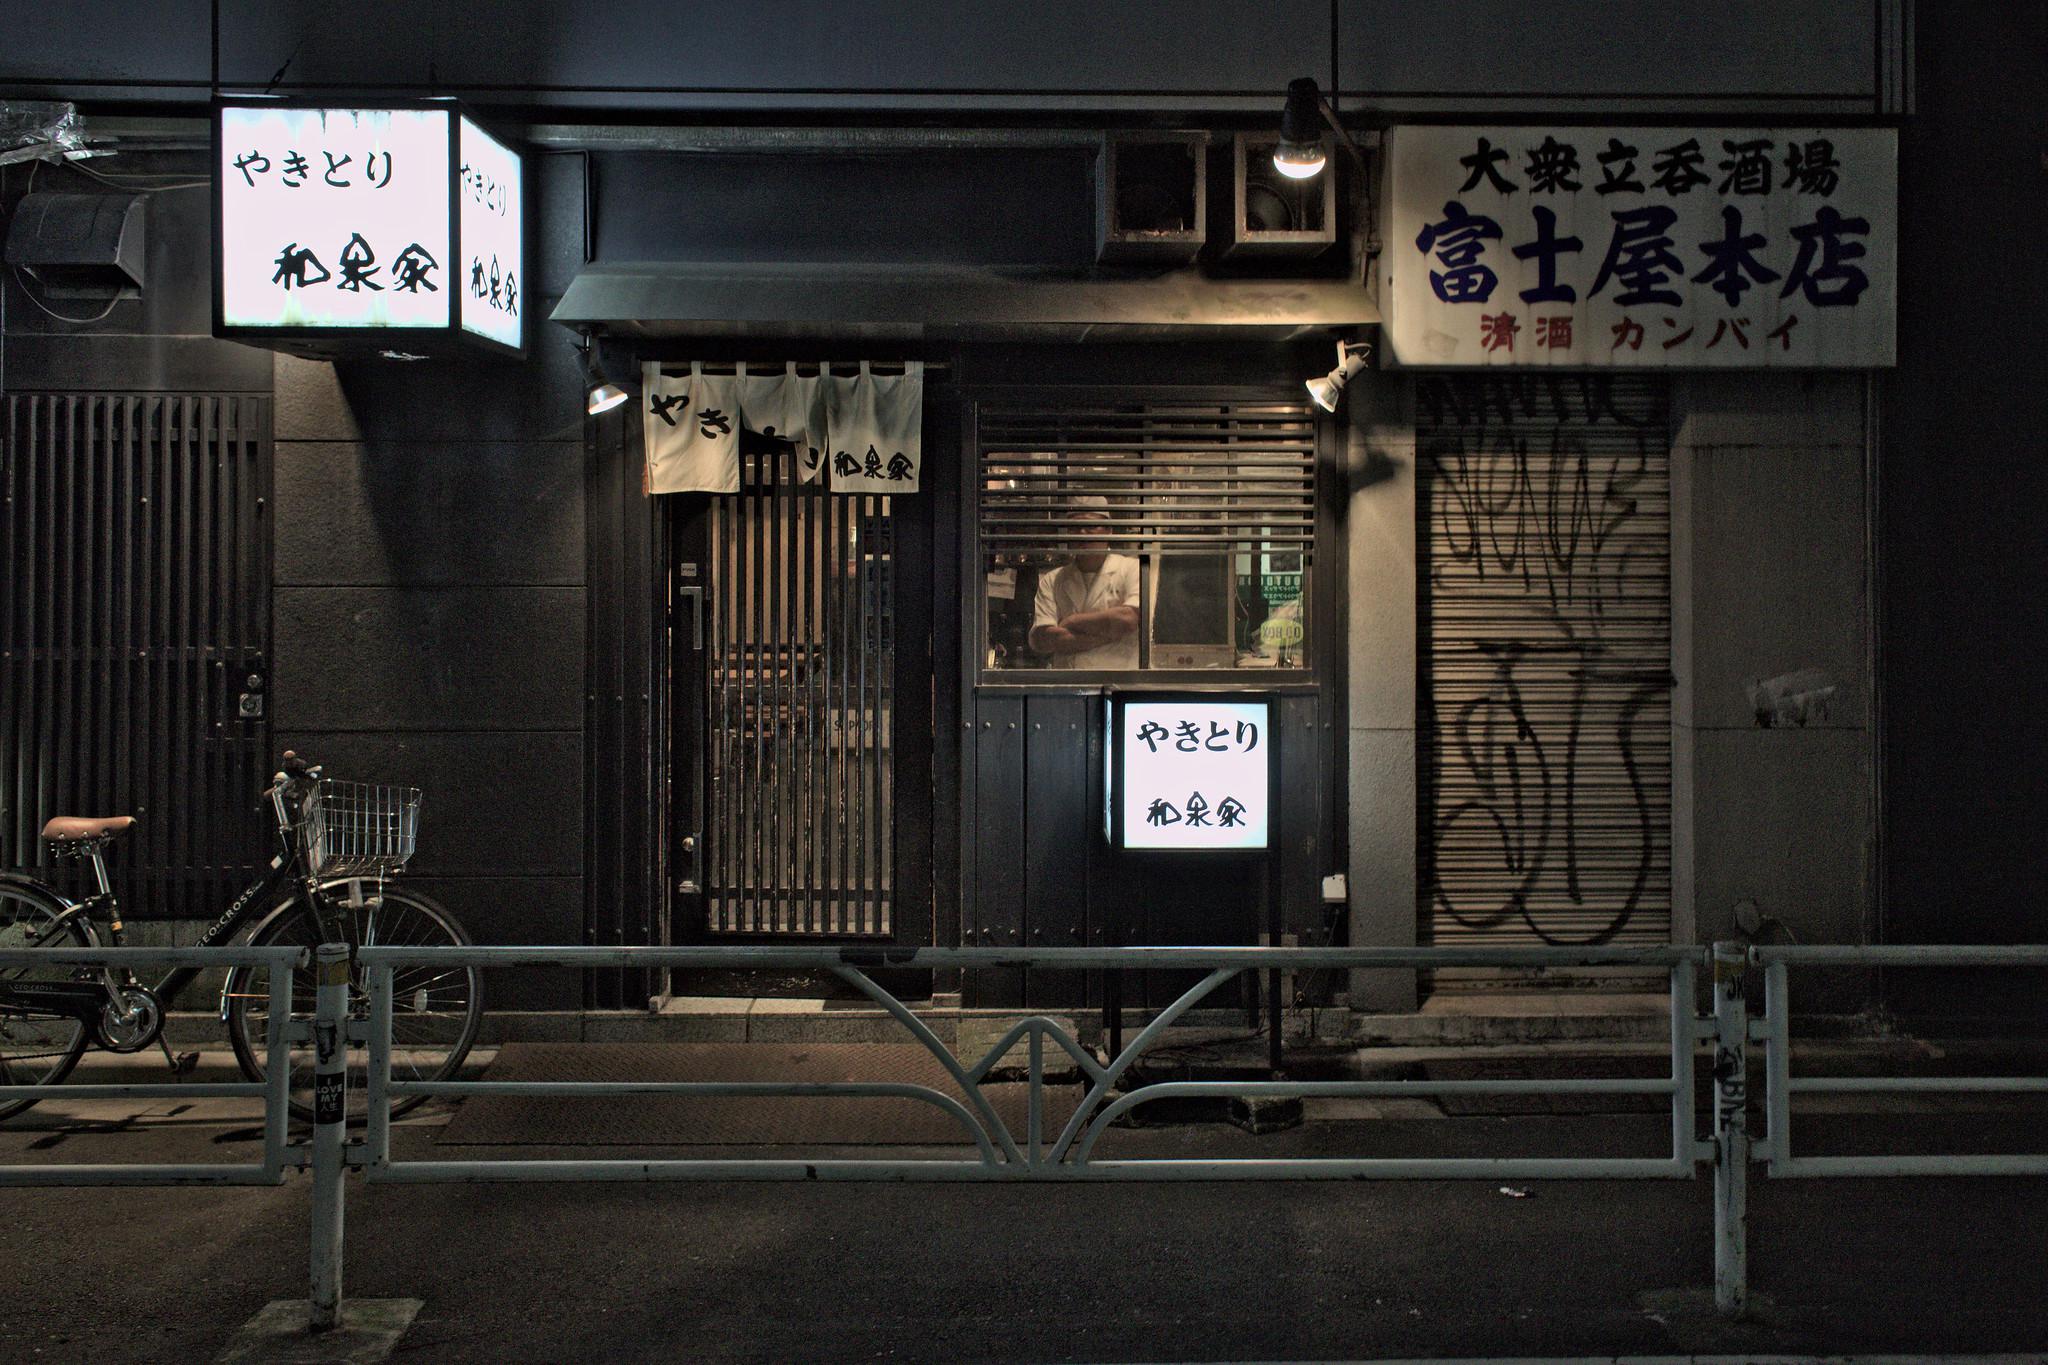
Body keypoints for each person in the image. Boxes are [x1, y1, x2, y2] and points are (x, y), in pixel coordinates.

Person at [1029, 495, 1140, 669]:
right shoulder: (1052, 580)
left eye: (1090, 526)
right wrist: (1109, 634)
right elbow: (1044, 639)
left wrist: (1072, 621)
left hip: (1118, 681)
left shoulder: (1132, 569)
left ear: (1108, 530)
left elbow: (1128, 619)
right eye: (1075, 527)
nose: (1082, 533)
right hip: (1069, 683)